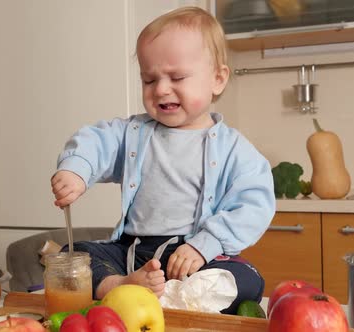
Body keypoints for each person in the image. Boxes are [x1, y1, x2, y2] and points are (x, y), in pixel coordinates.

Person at [50, 6, 275, 315]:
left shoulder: (235, 149)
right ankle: (121, 286)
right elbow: (97, 140)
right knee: (75, 255)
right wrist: (77, 169)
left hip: (191, 255)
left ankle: (172, 296)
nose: (161, 89)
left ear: (218, 79)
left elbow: (254, 203)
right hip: (131, 249)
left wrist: (205, 244)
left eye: (177, 77)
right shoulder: (134, 133)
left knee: (248, 280)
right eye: (148, 80)